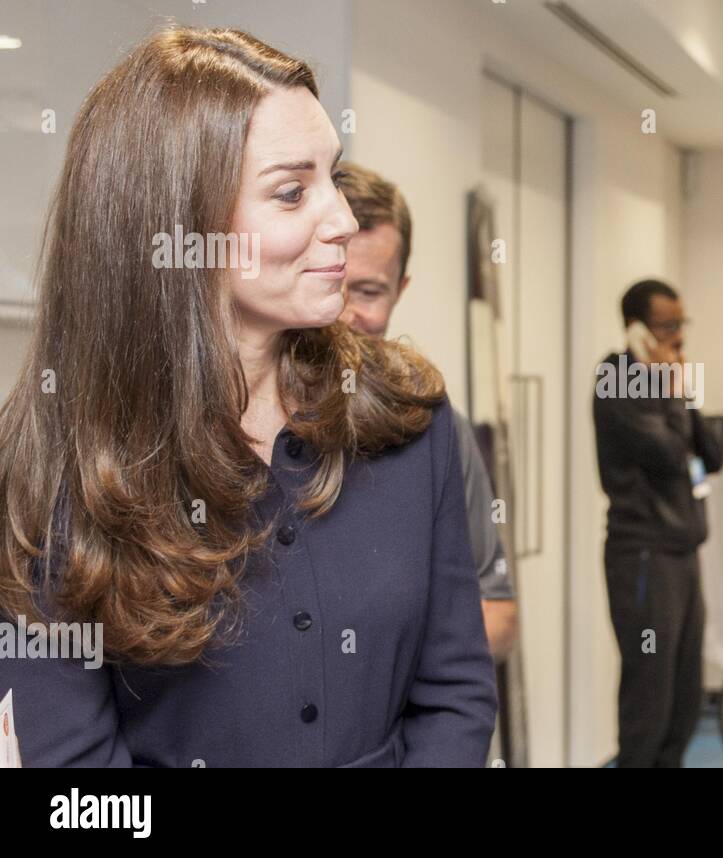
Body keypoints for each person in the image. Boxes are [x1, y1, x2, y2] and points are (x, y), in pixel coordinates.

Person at [0, 27, 496, 767]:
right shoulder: (54, 473)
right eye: (293, 192)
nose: (344, 222)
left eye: (334, 176)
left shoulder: (404, 420)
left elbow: (456, 692)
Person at [336, 161, 518, 661]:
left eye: (369, 291)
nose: (344, 313)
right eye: (332, 281)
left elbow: (497, 616)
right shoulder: (234, 420)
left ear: (401, 291)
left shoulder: (436, 433)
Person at [593, 279, 723, 767]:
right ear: (637, 329)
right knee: (649, 702)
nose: (677, 336)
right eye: (666, 326)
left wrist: (683, 391)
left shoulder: (670, 378)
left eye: (680, 323)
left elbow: (711, 456)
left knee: (684, 702)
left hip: (684, 553)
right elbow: (670, 453)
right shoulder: (617, 376)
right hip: (644, 554)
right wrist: (668, 388)